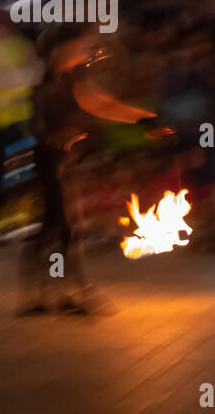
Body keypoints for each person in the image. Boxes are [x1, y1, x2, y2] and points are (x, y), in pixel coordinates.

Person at [18, 23, 161, 315]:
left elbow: (101, 105)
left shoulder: (74, 78)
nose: (84, 52)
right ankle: (62, 294)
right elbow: (34, 125)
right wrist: (52, 137)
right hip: (49, 161)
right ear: (60, 49)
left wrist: (143, 118)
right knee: (60, 226)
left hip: (67, 161)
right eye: (79, 47)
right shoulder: (43, 84)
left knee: (58, 227)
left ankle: (50, 294)